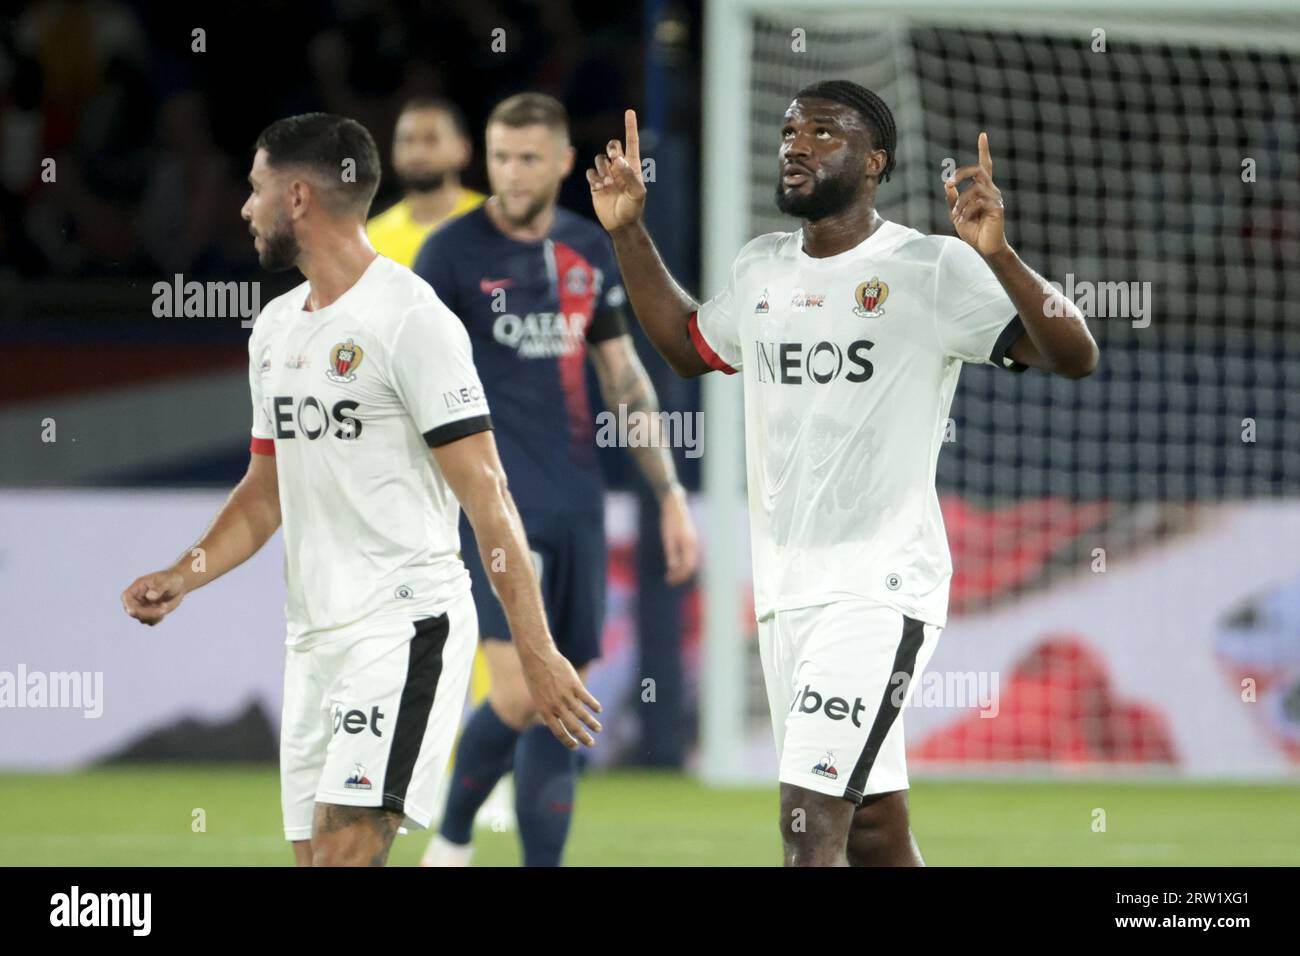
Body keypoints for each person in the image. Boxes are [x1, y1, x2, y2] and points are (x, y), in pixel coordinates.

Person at [586, 80, 1098, 866]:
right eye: (791, 130)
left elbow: (1073, 353)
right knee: (873, 830)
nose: (797, 143)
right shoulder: (761, 269)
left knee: (808, 821)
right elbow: (690, 347)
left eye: (824, 132)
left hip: (880, 591)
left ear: (873, 162)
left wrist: (997, 255)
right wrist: (629, 234)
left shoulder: (929, 268)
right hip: (788, 595)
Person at [120, 112, 600, 867]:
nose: (245, 208)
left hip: (405, 626)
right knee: (320, 861)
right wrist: (186, 573)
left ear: (300, 196)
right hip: (313, 638)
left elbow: (488, 496)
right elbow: (265, 491)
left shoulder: (412, 321)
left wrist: (535, 650)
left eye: (255, 189)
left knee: (345, 852)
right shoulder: (275, 330)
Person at [413, 93, 698, 867]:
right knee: (520, 693)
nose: (511, 172)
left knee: (564, 706)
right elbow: (407, 383)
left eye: (529, 157)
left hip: (578, 507)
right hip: (494, 508)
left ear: (564, 161)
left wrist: (669, 494)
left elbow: (624, 378)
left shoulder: (587, 247)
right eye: (501, 156)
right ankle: (453, 837)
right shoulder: (447, 255)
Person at [366, 97, 485, 267]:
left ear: (463, 149)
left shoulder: (492, 221)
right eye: (407, 140)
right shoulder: (371, 239)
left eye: (431, 139)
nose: (417, 153)